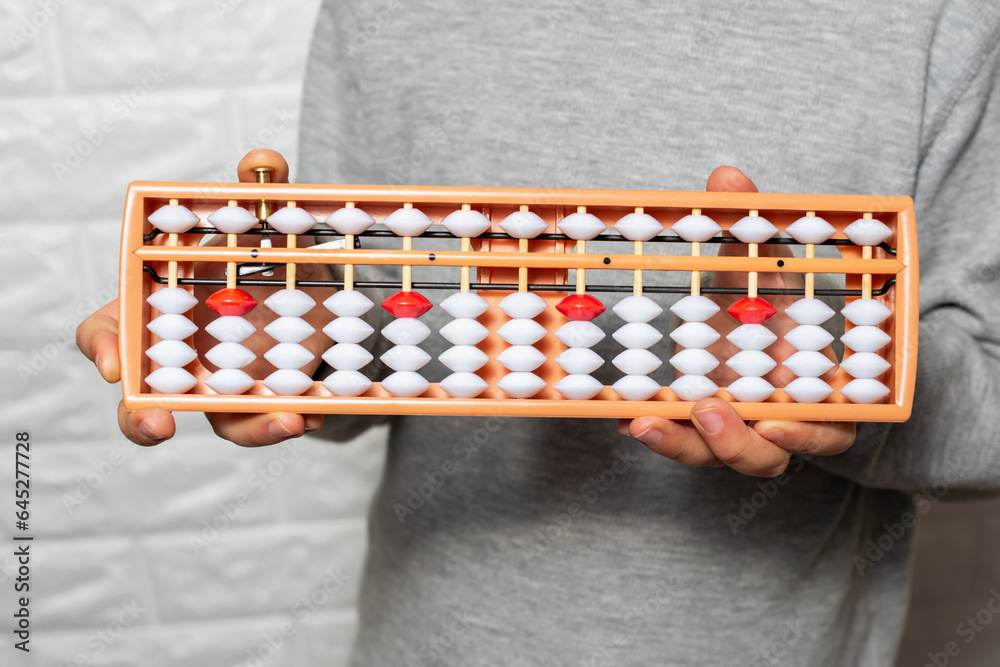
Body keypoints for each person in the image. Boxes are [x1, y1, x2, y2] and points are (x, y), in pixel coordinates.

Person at [78, 1, 1000, 664]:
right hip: (426, 640)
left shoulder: (934, 18)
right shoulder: (383, 15)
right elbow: (361, 338)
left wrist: (838, 374)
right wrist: (277, 335)